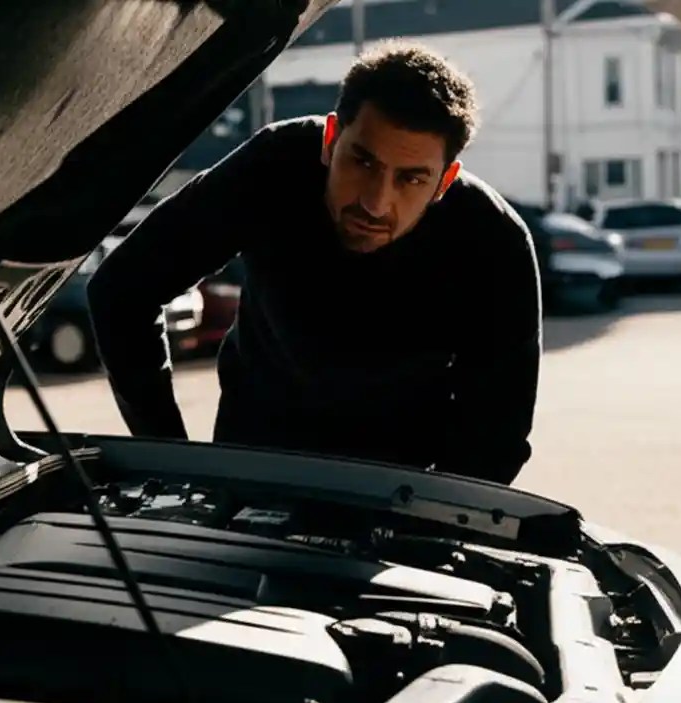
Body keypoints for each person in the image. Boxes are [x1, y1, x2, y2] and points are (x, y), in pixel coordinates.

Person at [87, 40, 542, 486]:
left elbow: (498, 434)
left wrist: (434, 523)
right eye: (362, 161)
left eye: (411, 178)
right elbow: (122, 289)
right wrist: (171, 460)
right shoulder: (273, 165)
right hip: (252, 470)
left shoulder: (493, 241)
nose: (376, 202)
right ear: (330, 139)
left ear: (444, 181)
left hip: (398, 494)